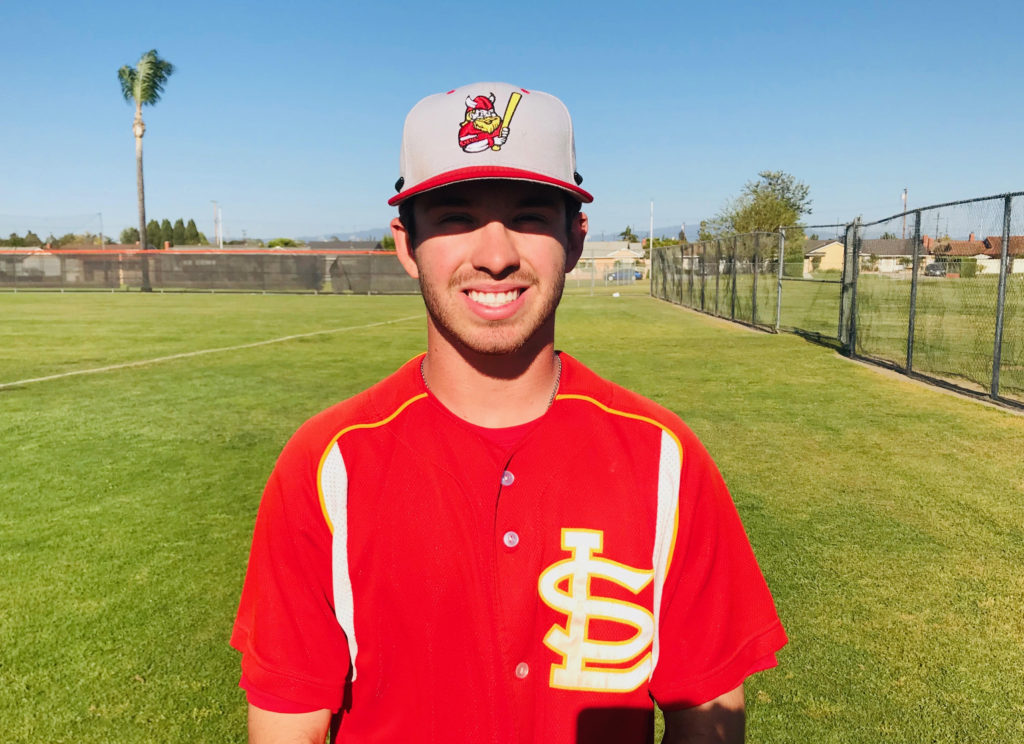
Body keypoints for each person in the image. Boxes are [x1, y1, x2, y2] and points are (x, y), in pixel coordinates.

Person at [232, 82, 787, 744]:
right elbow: (287, 725)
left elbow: (708, 714)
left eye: (527, 216)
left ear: (574, 240)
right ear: (406, 243)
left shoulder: (665, 458)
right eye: (455, 218)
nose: (495, 255)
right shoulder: (326, 466)